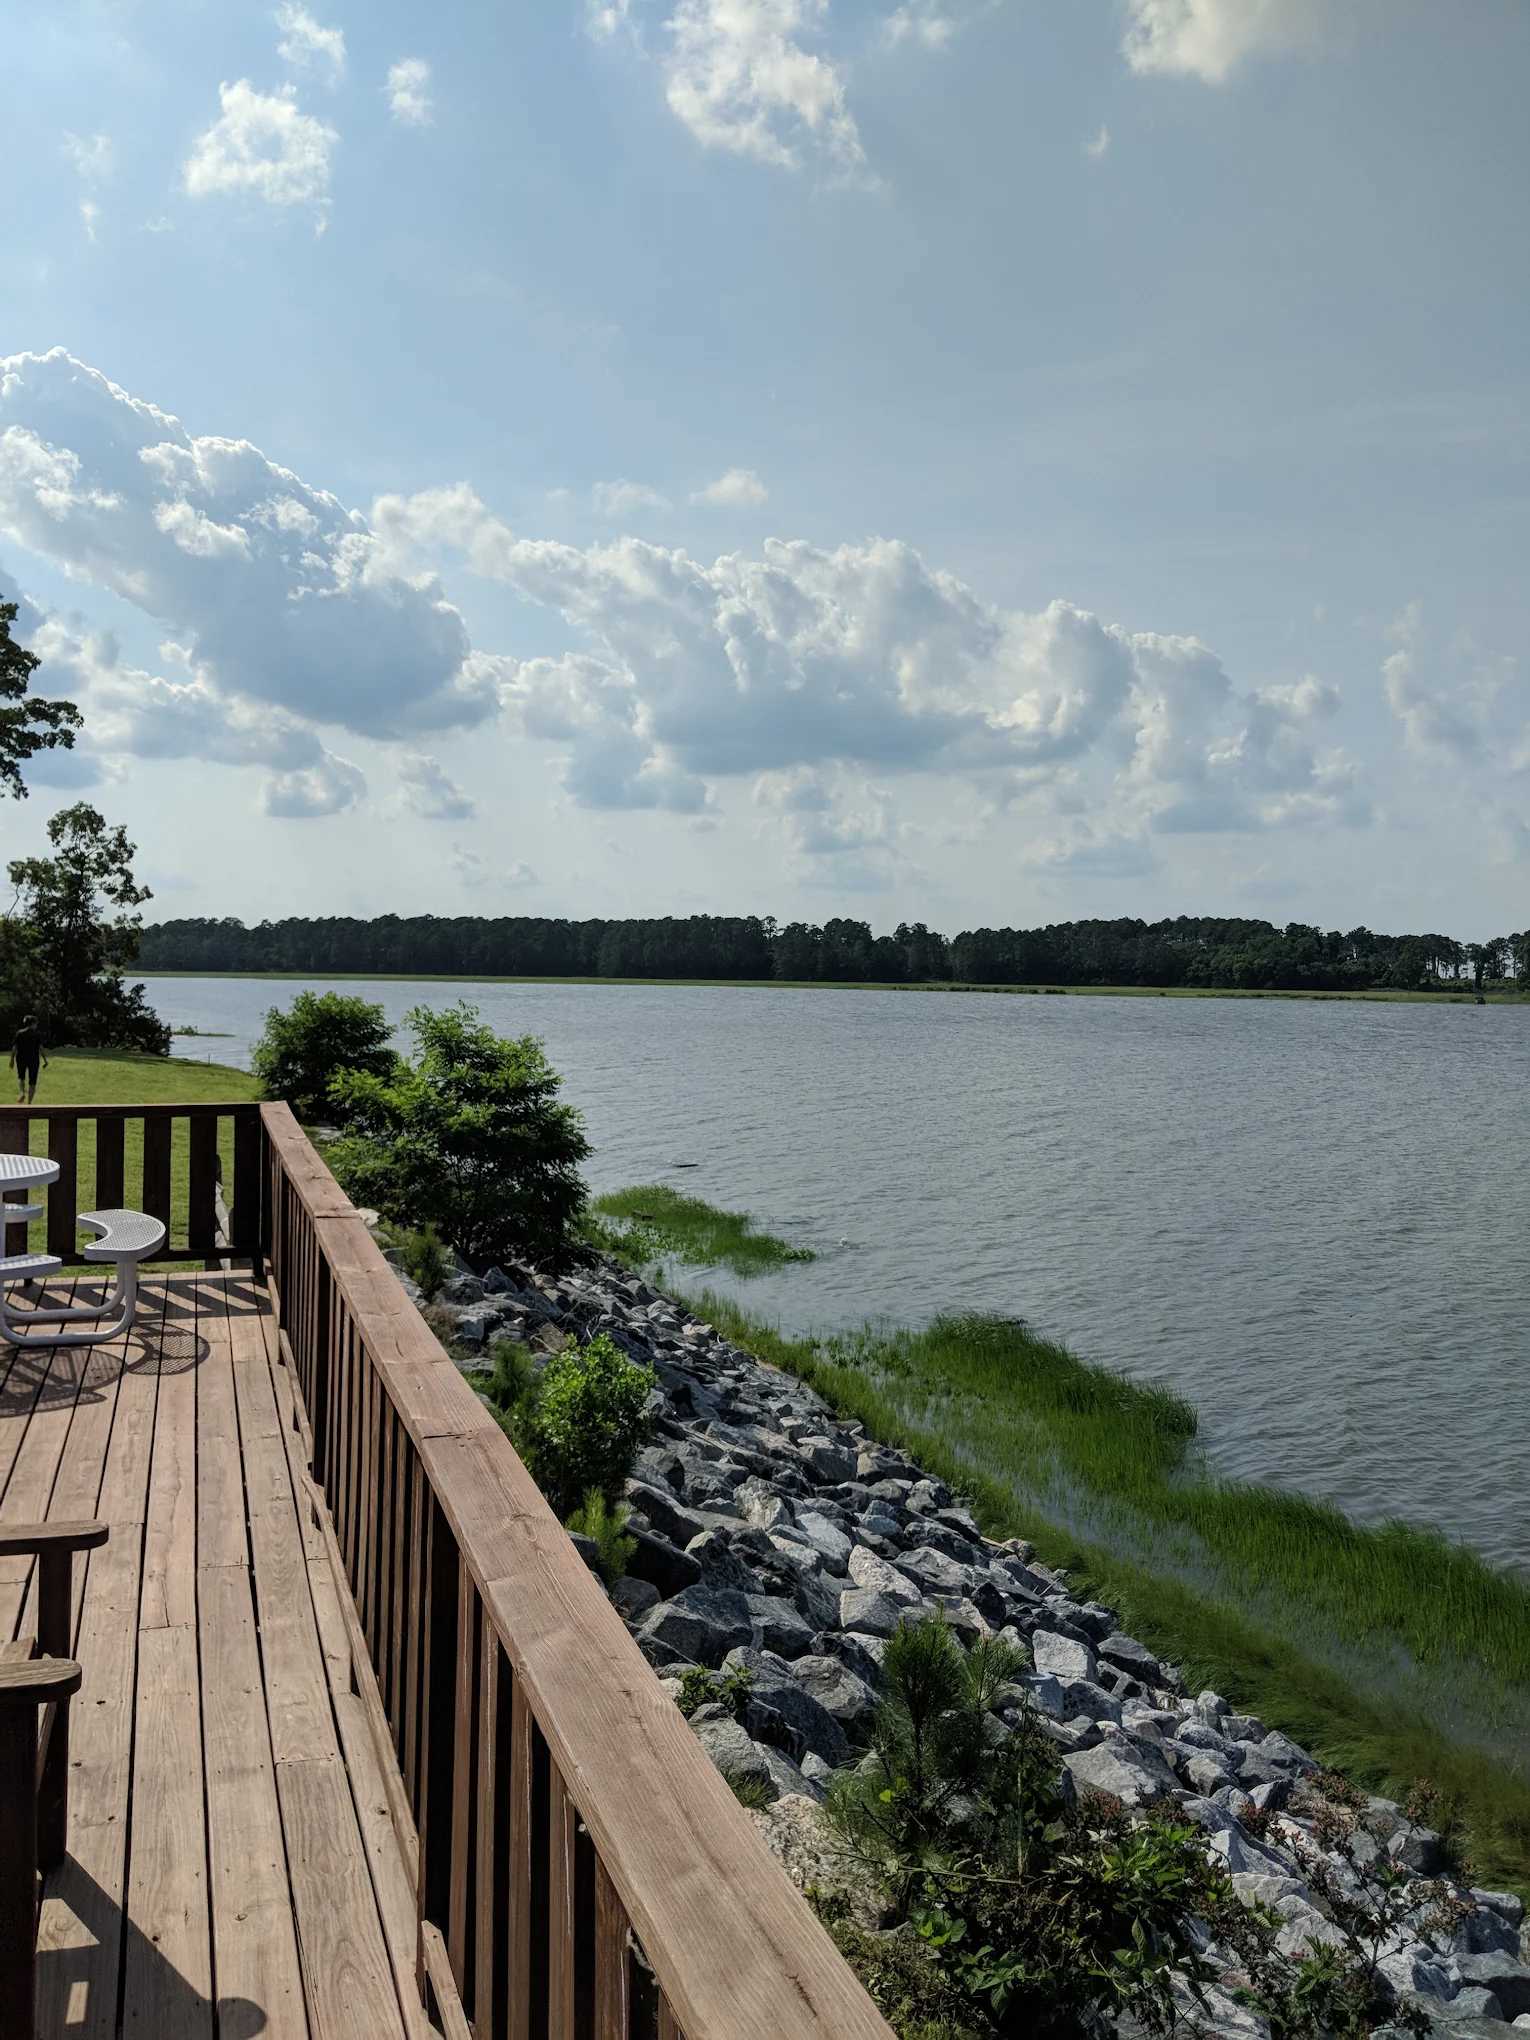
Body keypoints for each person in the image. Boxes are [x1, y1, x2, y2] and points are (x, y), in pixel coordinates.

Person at [10, 1014, 47, 1104]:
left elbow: (14, 1048)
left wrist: (11, 1060)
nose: (36, 1025)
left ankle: (22, 1092)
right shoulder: (37, 1034)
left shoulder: (19, 1033)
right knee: (32, 1082)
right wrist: (45, 1060)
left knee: (21, 1077)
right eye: (36, 1023)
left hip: (21, 1059)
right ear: (33, 1023)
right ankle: (29, 1103)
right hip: (34, 1060)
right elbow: (41, 1048)